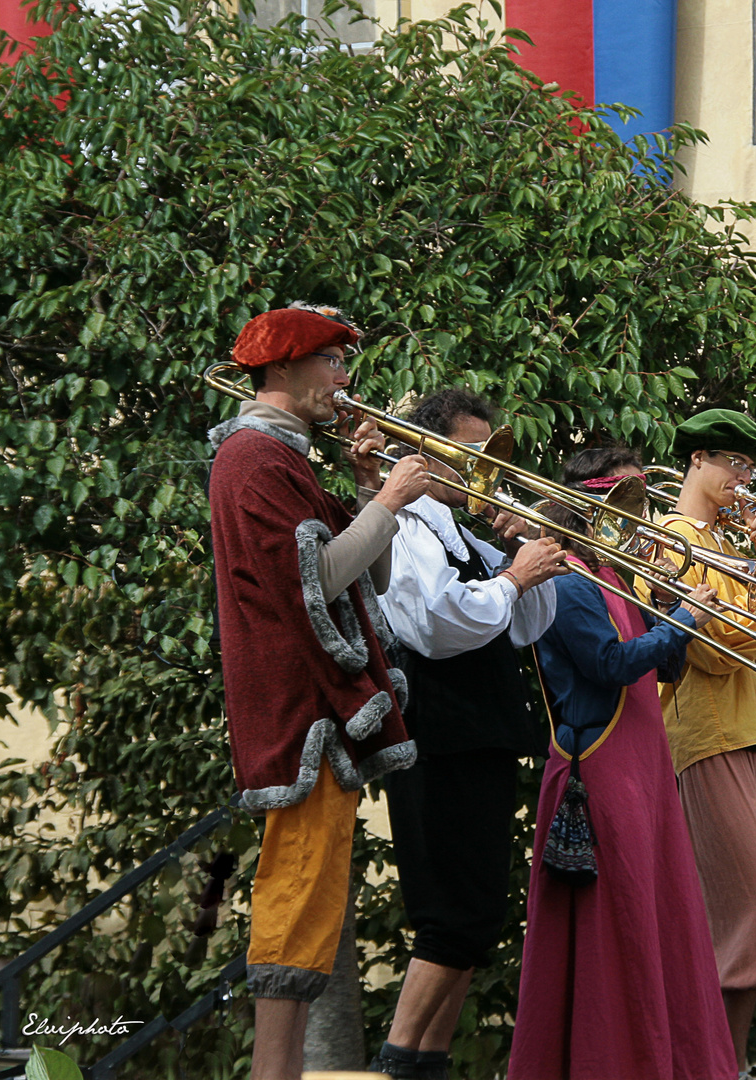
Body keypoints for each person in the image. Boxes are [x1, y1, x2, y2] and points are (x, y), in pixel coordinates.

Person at [208, 304, 430, 1080]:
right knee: (295, 892)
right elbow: (314, 586)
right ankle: (275, 1072)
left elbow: (367, 576)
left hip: (317, 710)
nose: (345, 379)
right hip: (299, 709)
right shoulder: (253, 459)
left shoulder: (287, 457)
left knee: (313, 894)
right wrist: (390, 499)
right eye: (332, 361)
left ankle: (284, 1069)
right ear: (281, 367)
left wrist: (369, 486)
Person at [507, 448, 738, 1080]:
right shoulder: (566, 578)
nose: (635, 519)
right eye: (625, 504)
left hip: (639, 764)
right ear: (586, 504)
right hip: (602, 772)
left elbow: (660, 665)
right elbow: (608, 665)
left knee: (654, 915)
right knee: (620, 922)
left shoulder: (607, 575)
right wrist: (686, 617)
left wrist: (667, 604)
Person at [371, 390, 566, 1080]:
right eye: (471, 452)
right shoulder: (403, 527)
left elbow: (524, 623)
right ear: (425, 452)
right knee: (450, 915)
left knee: (478, 919)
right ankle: (397, 1064)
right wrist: (512, 577)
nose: (483, 468)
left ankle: (426, 1063)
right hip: (436, 734)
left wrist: (519, 551)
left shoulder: (462, 535)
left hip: (479, 734)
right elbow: (434, 624)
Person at [654, 410, 756, 1076]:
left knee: (734, 912)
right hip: (706, 733)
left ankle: (715, 1063)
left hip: (753, 733)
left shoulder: (728, 541)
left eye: (751, 469)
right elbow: (715, 652)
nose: (744, 481)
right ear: (696, 460)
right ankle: (709, 1062)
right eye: (733, 463)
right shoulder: (667, 537)